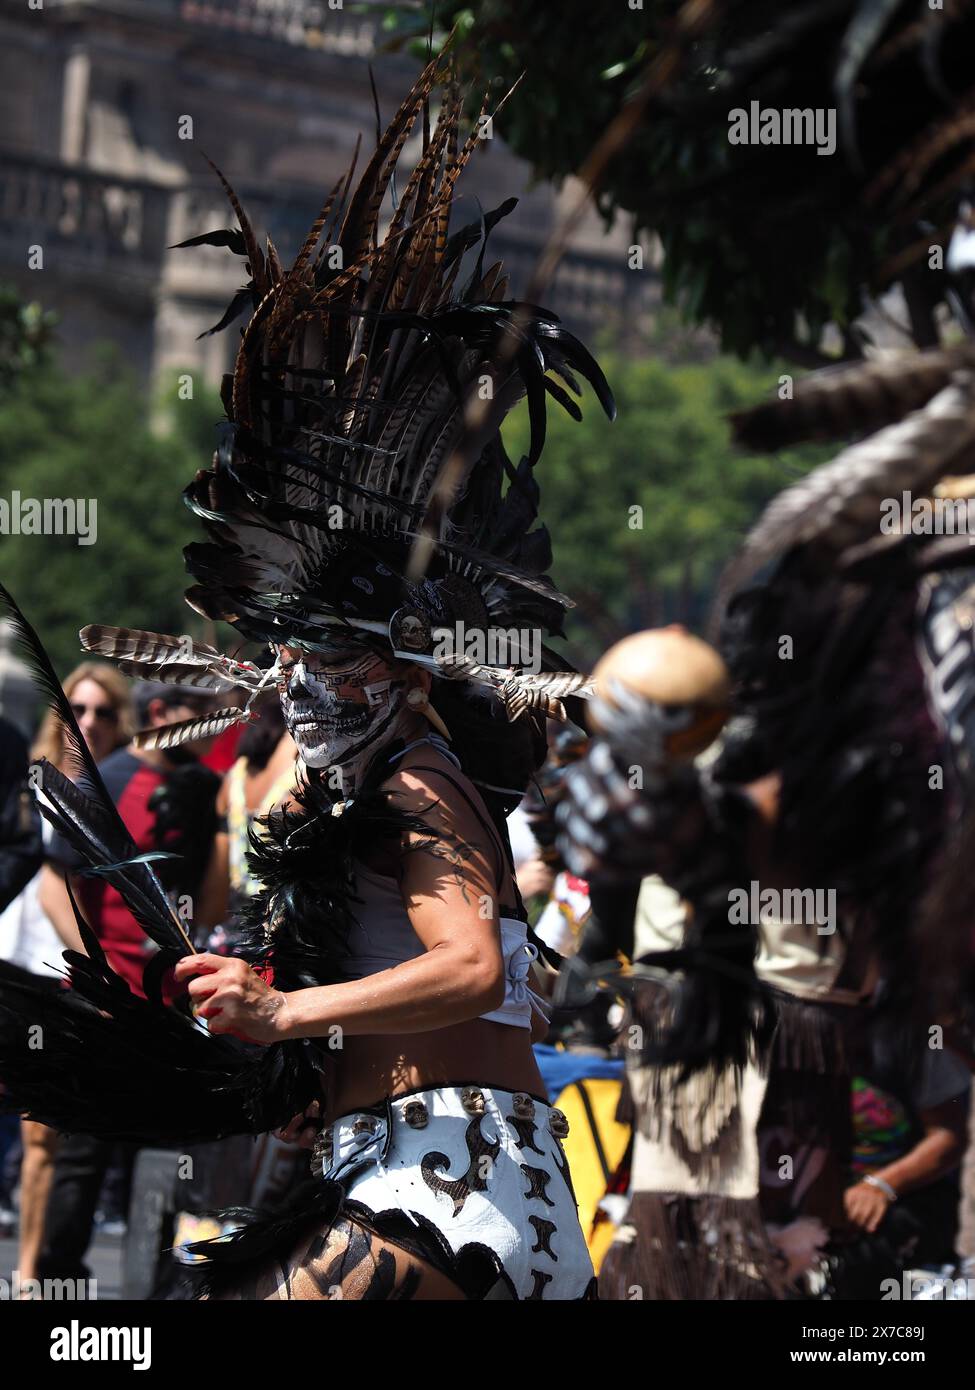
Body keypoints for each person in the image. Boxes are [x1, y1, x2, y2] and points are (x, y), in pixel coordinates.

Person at [0, 57, 615, 1300]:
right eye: (287, 652)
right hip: (410, 1165)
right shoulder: (366, 791)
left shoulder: (421, 782)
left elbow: (478, 970)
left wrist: (287, 1016)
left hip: (449, 1178)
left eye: (330, 650)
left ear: (401, 665)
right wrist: (288, 1052)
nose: (303, 677)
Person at [35, 680, 219, 1285]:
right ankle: (59, 1279)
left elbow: (210, 900)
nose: (214, 723)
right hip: (104, 999)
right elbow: (52, 885)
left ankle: (153, 1286)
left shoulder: (203, 787)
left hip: (173, 1002)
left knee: (164, 1152)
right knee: (84, 1149)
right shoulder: (107, 779)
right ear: (163, 714)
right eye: (200, 712)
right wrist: (99, 974)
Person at [0, 662, 132, 1288]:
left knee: (82, 1133)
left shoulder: (126, 788)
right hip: (29, 963)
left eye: (104, 712)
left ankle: (59, 1265)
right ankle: (30, 1272)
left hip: (98, 973)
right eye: (78, 710)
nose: (91, 723)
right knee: (39, 1139)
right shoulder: (33, 781)